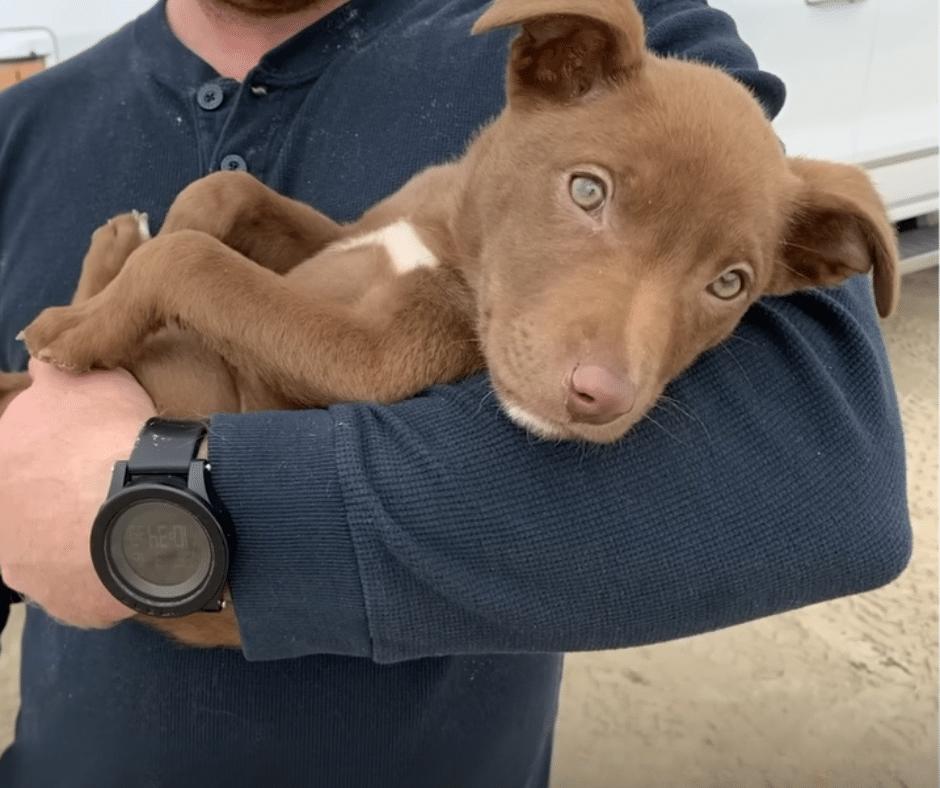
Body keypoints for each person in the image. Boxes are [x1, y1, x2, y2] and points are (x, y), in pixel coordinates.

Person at [0, 0, 911, 785]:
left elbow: (842, 488)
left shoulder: (639, 68)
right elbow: (346, 263)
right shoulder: (26, 126)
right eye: (590, 191)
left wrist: (150, 505)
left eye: (724, 284)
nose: (609, 371)